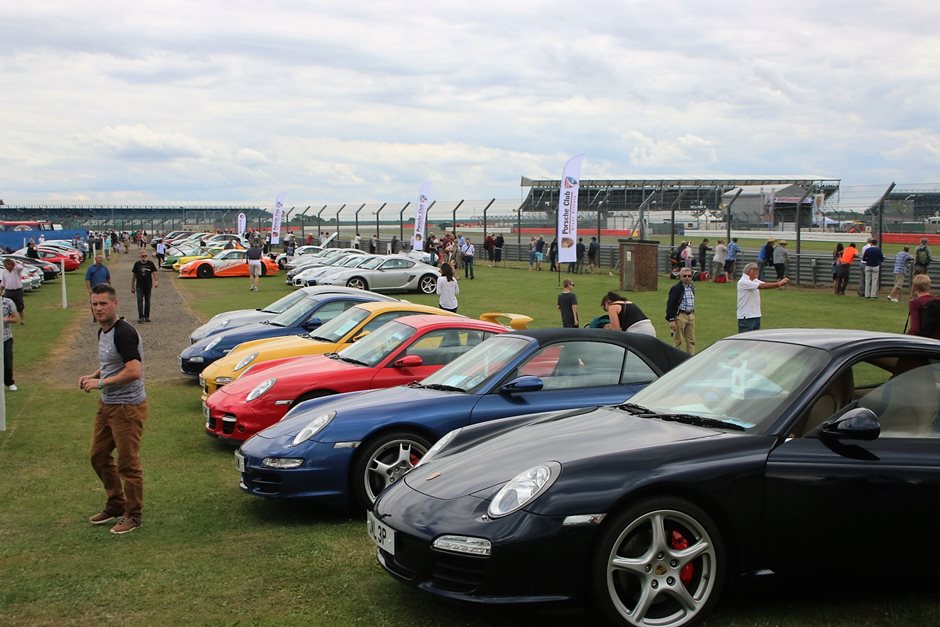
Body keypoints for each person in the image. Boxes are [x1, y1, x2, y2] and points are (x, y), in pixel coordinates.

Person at [80, 284, 148, 535]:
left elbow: (133, 371)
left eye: (103, 303)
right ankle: (116, 503)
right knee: (98, 456)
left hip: (127, 407)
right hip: (107, 404)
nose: (98, 308)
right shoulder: (103, 331)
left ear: (115, 304)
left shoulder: (124, 333)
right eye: (94, 304)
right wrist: (94, 375)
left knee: (128, 464)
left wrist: (100, 383)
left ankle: (133, 514)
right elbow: (112, 364)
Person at [737, 262, 789, 333]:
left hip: (755, 315)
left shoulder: (753, 280)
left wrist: (779, 284)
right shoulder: (743, 281)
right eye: (756, 269)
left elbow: (764, 284)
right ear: (750, 270)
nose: (758, 271)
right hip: (746, 316)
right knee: (745, 339)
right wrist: (779, 284)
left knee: (755, 338)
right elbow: (762, 286)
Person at [665, 267, 696, 354]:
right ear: (680, 277)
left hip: (690, 315)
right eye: (684, 276)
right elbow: (670, 304)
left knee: (691, 341)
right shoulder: (676, 289)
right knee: (678, 341)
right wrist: (671, 319)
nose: (687, 278)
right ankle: (676, 359)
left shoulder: (692, 288)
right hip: (680, 316)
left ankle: (691, 358)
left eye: (689, 276)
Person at [907, 274, 940, 338]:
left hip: (924, 339)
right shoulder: (937, 301)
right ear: (929, 286)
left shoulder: (915, 303)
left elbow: (915, 329)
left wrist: (906, 338)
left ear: (914, 287)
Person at [130, 250, 159, 322]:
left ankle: (147, 316)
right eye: (142, 256)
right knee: (139, 301)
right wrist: (132, 286)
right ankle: (141, 316)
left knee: (147, 301)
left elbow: (154, 272)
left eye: (145, 256)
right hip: (139, 286)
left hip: (148, 285)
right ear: (140, 256)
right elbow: (134, 276)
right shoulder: (137, 264)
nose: (144, 257)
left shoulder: (150, 263)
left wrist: (156, 281)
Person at [0, 259, 27, 324]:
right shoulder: (5, 272)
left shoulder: (17, 270)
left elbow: (20, 267)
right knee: (6, 305)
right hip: (8, 291)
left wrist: (14, 263)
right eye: (4, 265)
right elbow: (3, 283)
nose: (5, 267)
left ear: (10, 265)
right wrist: (1, 290)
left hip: (17, 291)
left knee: (19, 306)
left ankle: (22, 320)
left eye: (6, 265)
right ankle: (9, 319)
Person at [2, 288, 18, 391]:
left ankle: (9, 383)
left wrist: (5, 319)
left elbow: (15, 319)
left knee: (8, 363)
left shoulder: (8, 302)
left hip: (6, 338)